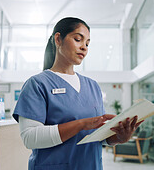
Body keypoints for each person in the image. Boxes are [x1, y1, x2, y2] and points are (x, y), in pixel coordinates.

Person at [13, 17, 143, 170]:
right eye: (78, 39)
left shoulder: (92, 86)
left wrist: (119, 138)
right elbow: (30, 138)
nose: (84, 47)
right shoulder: (37, 84)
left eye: (87, 43)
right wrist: (81, 124)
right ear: (58, 39)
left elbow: (98, 137)